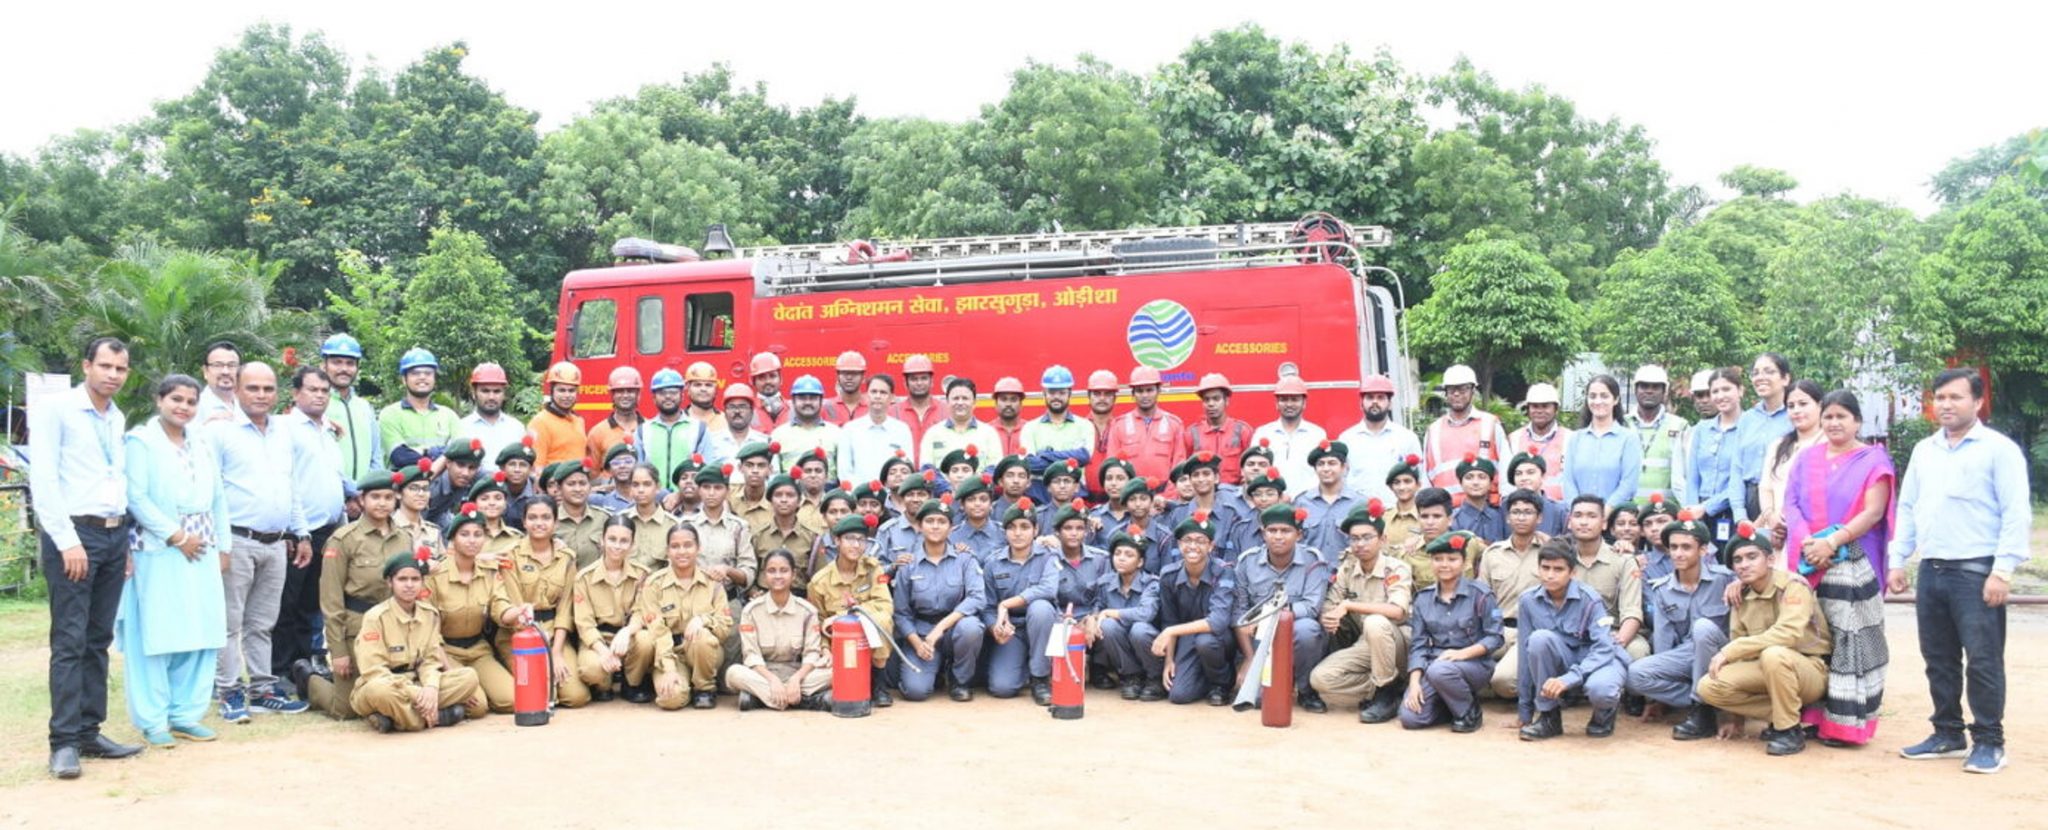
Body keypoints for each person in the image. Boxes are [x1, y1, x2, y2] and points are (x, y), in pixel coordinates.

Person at [1888, 368, 2030, 774]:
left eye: (1956, 397)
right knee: (1938, 658)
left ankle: (1989, 741)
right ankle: (1947, 732)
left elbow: (2015, 513)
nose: (1946, 405)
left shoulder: (1998, 449)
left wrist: (2002, 571)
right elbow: (1910, 507)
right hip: (1932, 570)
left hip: (1976, 571)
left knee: (1983, 660)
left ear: (1978, 402)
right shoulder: (1924, 450)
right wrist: (1899, 560)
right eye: (1940, 398)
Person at [117, 374, 228, 750]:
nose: (183, 407)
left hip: (204, 547)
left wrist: (223, 547)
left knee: (200, 632)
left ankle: (185, 714)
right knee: (158, 634)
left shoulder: (201, 442)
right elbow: (136, 496)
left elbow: (218, 498)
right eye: (175, 399)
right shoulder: (141, 441)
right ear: (159, 400)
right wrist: (176, 536)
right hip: (159, 547)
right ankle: (153, 718)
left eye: (191, 401)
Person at [1778, 390, 1894, 747]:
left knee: (1851, 639)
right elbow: (1792, 505)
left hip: (1855, 562)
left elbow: (1873, 512)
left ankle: (1847, 723)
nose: (1833, 423)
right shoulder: (1807, 459)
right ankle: (1811, 715)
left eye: (1842, 416)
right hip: (1810, 558)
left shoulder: (1873, 460)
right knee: (1813, 636)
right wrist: (1811, 543)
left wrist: (1834, 542)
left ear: (1857, 421)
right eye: (1828, 416)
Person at [206, 361, 312, 720]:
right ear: (236, 389)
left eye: (268, 389)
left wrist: (302, 533)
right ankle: (229, 691)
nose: (261, 395)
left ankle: (263, 688)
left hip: (276, 543)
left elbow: (290, 486)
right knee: (229, 622)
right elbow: (211, 490)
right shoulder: (220, 432)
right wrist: (220, 543)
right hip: (236, 539)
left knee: (263, 622)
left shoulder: (283, 432)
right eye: (253, 388)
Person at [1697, 531, 1830, 756]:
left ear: (1769, 560)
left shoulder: (1792, 585)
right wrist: (1736, 718)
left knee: (1774, 653)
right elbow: (1743, 652)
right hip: (1767, 671)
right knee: (1709, 686)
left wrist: (1729, 651)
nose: (1744, 565)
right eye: (1737, 560)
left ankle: (1788, 731)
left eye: (1752, 557)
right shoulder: (1740, 596)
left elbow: (1788, 634)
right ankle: (1787, 713)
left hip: (1809, 670)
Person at [307, 470, 413, 720]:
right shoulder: (344, 539)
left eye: (388, 497)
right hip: (359, 628)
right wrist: (338, 651)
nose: (382, 503)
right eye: (375, 496)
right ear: (361, 500)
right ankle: (310, 680)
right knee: (346, 710)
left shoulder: (404, 538)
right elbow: (330, 600)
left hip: (394, 626)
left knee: (396, 691)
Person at [1622, 513, 1735, 739]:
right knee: (1635, 675)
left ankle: (1701, 709)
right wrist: (1659, 699)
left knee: (1703, 628)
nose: (1678, 553)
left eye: (1686, 547)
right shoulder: (1662, 589)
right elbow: (1663, 642)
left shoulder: (1727, 579)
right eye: (1673, 547)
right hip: (1686, 656)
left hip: (1723, 657)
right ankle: (1708, 703)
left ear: (1702, 550)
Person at [274, 367, 351, 693]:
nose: (320, 395)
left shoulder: (327, 431)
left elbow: (333, 477)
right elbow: (286, 479)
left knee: (312, 605)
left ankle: (304, 671)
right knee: (286, 606)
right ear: (295, 393)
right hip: (299, 531)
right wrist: (298, 531)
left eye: (324, 390)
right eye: (313, 389)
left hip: (330, 530)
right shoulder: (285, 428)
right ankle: (280, 672)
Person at [349, 551, 485, 732]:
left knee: (468, 677)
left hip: (418, 681)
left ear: (422, 582)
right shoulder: (375, 617)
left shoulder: (429, 614)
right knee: (380, 691)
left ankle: (393, 718)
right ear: (390, 582)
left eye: (415, 579)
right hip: (386, 686)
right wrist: (417, 693)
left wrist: (430, 687)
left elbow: (430, 661)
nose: (409, 585)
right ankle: (434, 718)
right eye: (402, 579)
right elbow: (374, 672)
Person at [1310, 500, 1413, 723]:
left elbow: (1396, 611)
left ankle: (1387, 689)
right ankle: (1390, 688)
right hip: (1366, 645)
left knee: (1375, 622)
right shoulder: (1348, 567)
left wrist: (1348, 606)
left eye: (1367, 537)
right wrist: (1328, 618)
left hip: (1398, 644)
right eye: (1355, 538)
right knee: (1321, 679)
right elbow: (1330, 603)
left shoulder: (1396, 568)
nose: (1360, 544)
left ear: (1383, 540)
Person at [1515, 543, 1625, 741]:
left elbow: (1603, 648)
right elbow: (1524, 655)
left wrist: (1571, 678)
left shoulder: (1589, 598)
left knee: (1602, 690)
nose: (1550, 575)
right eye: (1545, 568)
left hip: (1595, 661)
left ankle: (1604, 714)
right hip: (1564, 658)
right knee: (1539, 639)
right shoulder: (1528, 600)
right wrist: (1525, 710)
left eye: (1558, 569)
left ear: (1572, 572)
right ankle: (1549, 717)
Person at [1398, 531, 1502, 732]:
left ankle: (1469, 712)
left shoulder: (1481, 595)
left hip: (1475, 665)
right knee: (1410, 719)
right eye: (1438, 559)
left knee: (1440, 670)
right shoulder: (1423, 599)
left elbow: (1495, 638)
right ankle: (1449, 704)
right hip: (1436, 666)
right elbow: (1418, 646)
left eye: (1452, 559)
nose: (1444, 564)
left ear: (1464, 563)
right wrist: (1414, 684)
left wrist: (1461, 654)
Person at [1232, 504, 1332, 712]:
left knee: (1308, 629)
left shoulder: (1313, 561)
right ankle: (1270, 681)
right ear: (1263, 533)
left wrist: (1270, 615)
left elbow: (1311, 607)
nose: (1278, 536)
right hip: (1259, 638)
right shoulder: (1246, 562)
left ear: (1299, 535)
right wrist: (1249, 657)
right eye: (1272, 531)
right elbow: (1240, 613)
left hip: (1293, 633)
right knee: (1259, 701)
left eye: (1285, 531)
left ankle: (1306, 690)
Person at [1136, 511, 1237, 705]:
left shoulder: (1223, 570)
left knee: (1206, 641)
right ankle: (1202, 678)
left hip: (1218, 638)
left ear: (1211, 546)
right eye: (1187, 540)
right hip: (1187, 639)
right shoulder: (1169, 575)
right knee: (1178, 695)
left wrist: (1170, 631)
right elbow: (1170, 619)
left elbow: (1218, 621)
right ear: (1179, 545)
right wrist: (1169, 661)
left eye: (1200, 541)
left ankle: (1222, 683)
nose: (1193, 546)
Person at [890, 502, 988, 701]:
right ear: (919, 527)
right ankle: (935, 673)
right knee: (915, 692)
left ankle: (959, 680)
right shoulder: (908, 565)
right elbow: (901, 613)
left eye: (942, 521)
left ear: (951, 528)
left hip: (954, 629)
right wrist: (917, 643)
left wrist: (940, 628)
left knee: (971, 627)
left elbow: (977, 598)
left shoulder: (965, 559)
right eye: (930, 521)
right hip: (921, 632)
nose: (935, 526)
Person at [425, 505, 515, 714]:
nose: (472, 540)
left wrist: (516, 613)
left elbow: (499, 604)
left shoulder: (489, 572)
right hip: (447, 651)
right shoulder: (436, 575)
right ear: (453, 539)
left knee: (512, 700)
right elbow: (429, 631)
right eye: (464, 534)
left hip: (478, 649)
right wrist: (450, 674)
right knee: (478, 708)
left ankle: (479, 691)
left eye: (478, 534)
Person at [498, 497, 586, 707]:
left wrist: (555, 652)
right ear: (524, 522)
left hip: (554, 632)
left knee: (576, 696)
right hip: (519, 635)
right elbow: (515, 603)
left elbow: (565, 608)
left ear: (555, 523)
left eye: (546, 517)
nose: (539, 523)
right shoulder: (511, 556)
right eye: (533, 517)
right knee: (542, 691)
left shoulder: (567, 557)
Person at [637, 524, 733, 710]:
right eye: (675, 546)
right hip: (670, 654)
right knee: (670, 700)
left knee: (702, 637)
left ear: (699, 548)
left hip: (704, 653)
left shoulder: (712, 583)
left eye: (688, 545)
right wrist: (670, 669)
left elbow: (725, 627)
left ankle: (704, 688)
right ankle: (679, 684)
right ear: (667, 551)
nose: (682, 551)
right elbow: (657, 631)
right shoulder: (654, 584)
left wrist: (703, 620)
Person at [808, 514, 896, 707]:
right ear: (837, 541)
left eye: (861, 539)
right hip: (837, 643)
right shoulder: (819, 581)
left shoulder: (874, 570)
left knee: (881, 619)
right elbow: (817, 621)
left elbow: (885, 605)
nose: (856, 545)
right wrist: (824, 649)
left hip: (869, 641)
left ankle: (879, 684)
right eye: (849, 539)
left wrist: (843, 616)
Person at [728, 551, 832, 711]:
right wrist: (773, 681)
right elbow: (751, 656)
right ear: (764, 575)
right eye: (772, 571)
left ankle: (762, 699)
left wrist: (796, 679)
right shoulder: (751, 611)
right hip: (764, 673)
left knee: (837, 672)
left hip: (800, 674)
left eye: (784, 570)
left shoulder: (807, 611)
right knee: (733, 673)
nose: (778, 576)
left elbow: (812, 654)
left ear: (793, 574)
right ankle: (806, 701)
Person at [982, 500, 1062, 703]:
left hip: (1044, 624)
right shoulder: (993, 563)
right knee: (1002, 688)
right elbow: (988, 605)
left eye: (1025, 527)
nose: (1018, 533)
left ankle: (1040, 678)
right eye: (1012, 527)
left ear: (1036, 530)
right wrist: (995, 628)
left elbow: (1048, 589)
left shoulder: (1048, 557)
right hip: (1012, 629)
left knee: (1041, 608)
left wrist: (1006, 604)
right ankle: (1023, 665)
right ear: (1005, 532)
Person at [570, 515, 654, 702]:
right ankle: (603, 685)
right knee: (593, 670)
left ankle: (632, 683)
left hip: (627, 638)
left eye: (624, 541)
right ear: (602, 540)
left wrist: (627, 631)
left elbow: (641, 611)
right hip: (598, 640)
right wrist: (603, 651)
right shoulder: (584, 577)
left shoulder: (642, 575)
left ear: (632, 545)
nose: (617, 546)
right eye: (612, 539)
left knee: (646, 640)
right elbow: (584, 623)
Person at [1479, 489, 1552, 699]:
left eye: (1528, 512)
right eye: (1516, 512)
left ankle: (1542, 690)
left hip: (1534, 632)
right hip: (1499, 631)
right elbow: (1483, 599)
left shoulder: (1551, 552)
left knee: (1503, 681)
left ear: (1539, 518)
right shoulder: (1492, 554)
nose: (1521, 517)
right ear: (1508, 517)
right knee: (1456, 664)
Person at [1087, 535, 1160, 700]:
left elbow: (1146, 613)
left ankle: (1154, 678)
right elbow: (1098, 605)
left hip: (1149, 643)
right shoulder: (1105, 583)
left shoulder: (1151, 583)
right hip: (1122, 644)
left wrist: (1111, 613)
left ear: (1140, 562)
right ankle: (1131, 677)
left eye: (1129, 555)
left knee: (1139, 629)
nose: (1121, 558)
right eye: (1117, 553)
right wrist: (1094, 617)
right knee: (1107, 626)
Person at [1421, 364, 1510, 498]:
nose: (1457, 394)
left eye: (1463, 389)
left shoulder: (1490, 424)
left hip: (1486, 509)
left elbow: (1506, 469)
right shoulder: (1433, 430)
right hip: (1446, 511)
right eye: (1452, 389)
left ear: (1473, 391)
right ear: (1446, 392)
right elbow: (1425, 477)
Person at [1756, 380, 1824, 548]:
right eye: (1791, 406)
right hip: (1777, 533)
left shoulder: (1829, 444)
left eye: (1803, 404)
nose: (1797, 411)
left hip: (1815, 534)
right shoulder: (1778, 446)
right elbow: (1765, 487)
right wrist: (1770, 517)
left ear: (1820, 405)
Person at [1336, 376, 1422, 506]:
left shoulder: (1406, 438)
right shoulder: (1347, 439)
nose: (1375, 402)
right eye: (1370, 397)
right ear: (1361, 403)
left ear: (1390, 403)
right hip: (1358, 516)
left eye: (1381, 397)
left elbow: (1419, 479)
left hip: (1396, 515)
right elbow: (1339, 480)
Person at [1686, 368, 1745, 549]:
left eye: (1726, 389)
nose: (1720, 396)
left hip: (1734, 511)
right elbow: (1693, 475)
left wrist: (1708, 507)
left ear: (1740, 391)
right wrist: (1691, 510)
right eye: (1715, 391)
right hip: (1698, 514)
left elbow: (1741, 479)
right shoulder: (1702, 429)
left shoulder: (1749, 427)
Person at [1561, 374, 1642, 507]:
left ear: (1616, 400)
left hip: (1614, 519)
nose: (1598, 401)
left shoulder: (1628, 439)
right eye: (1592, 396)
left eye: (1604, 396)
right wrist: (1579, 512)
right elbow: (1568, 482)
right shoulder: (1575, 439)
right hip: (1580, 521)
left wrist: (1605, 512)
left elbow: (1628, 485)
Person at [1732, 353, 1794, 523]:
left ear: (1785, 378)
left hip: (1781, 501)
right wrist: (1739, 514)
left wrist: (1768, 514)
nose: (1761, 377)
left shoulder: (1794, 416)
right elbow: (1737, 468)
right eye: (1756, 373)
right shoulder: (1747, 418)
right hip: (1749, 499)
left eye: (1769, 371)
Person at [1106, 366, 1187, 494]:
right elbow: (1113, 468)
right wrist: (1127, 497)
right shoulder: (1118, 426)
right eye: (1140, 391)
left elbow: (1179, 466)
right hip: (1132, 499)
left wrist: (1167, 498)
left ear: (1158, 391)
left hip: (1165, 499)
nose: (1145, 395)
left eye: (1149, 390)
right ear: (1133, 393)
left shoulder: (1174, 424)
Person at [378, 348, 460, 467]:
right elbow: (401, 457)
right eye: (415, 373)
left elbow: (460, 452)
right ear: (404, 380)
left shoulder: (449, 415)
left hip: (443, 485)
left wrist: (424, 452)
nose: (422, 377)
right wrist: (441, 454)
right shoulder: (390, 414)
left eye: (428, 373)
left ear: (434, 378)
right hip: (403, 484)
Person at [1250, 374, 1325, 499]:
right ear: (1277, 403)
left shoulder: (1317, 434)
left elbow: (1322, 470)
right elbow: (1253, 471)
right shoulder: (1263, 433)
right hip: (1271, 502)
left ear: (1304, 403)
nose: (1289, 404)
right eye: (1284, 399)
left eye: (1295, 399)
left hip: (1309, 502)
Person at [1626, 365, 1689, 505]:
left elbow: (1686, 475)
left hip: (1665, 515)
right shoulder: (1621, 424)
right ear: (1635, 390)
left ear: (1664, 391)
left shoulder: (1679, 426)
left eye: (1655, 387)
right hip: (1627, 517)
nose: (1649, 391)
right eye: (1644, 386)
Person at [319, 334, 379, 481]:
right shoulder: (318, 405)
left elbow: (376, 455)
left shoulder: (364, 407)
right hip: (329, 494)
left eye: (350, 363)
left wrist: (371, 489)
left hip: (364, 498)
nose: (344, 369)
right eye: (337, 362)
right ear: (323, 365)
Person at [837, 375, 915, 483]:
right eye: (873, 392)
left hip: (892, 495)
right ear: (866, 395)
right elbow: (844, 472)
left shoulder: (901, 430)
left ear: (892, 398)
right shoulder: (850, 430)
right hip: (859, 496)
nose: (877, 396)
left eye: (883, 393)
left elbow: (907, 468)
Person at [1292, 440, 1358, 559]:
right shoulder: (1302, 502)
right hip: (1310, 572)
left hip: (1348, 572)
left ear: (1343, 467)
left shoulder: (1359, 503)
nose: (1326, 469)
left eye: (1332, 463)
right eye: (1321, 464)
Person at [919, 377, 999, 474]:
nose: (960, 403)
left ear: (974, 403)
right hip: (942, 489)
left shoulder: (989, 433)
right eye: (956, 398)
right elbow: (926, 468)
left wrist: (974, 486)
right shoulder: (932, 433)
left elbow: (994, 468)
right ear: (947, 402)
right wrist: (944, 488)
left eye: (965, 398)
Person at [1185, 373, 1253, 484]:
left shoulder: (1243, 431)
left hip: (1235, 495)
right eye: (1206, 400)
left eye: (1216, 399)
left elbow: (1253, 465)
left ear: (1226, 401)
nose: (1211, 404)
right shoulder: (1191, 433)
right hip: (1203, 494)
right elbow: (1185, 469)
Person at [639, 368, 702, 486]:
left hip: (689, 500)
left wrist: (679, 496)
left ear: (682, 396)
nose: (668, 396)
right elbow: (637, 472)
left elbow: (706, 470)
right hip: (652, 500)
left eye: (673, 392)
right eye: (662, 393)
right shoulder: (642, 431)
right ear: (654, 398)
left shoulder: (699, 429)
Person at [1019, 365, 1096, 460]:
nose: (1057, 397)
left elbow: (1084, 457)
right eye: (1052, 392)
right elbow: (1030, 464)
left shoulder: (1085, 426)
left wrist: (1046, 455)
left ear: (1070, 394)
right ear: (1044, 394)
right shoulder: (1030, 428)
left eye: (1062, 393)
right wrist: (1071, 457)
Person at [459, 363, 525, 474]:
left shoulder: (516, 428)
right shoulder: (461, 428)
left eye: (497, 391)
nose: (491, 397)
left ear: (504, 394)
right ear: (473, 393)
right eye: (485, 391)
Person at [1509, 382, 1571, 501]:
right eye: (1535, 406)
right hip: (1522, 510)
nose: (1539, 410)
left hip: (1558, 510)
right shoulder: (1514, 438)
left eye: (1545, 406)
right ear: (1528, 409)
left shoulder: (1570, 438)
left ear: (1556, 409)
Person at [771, 383, 842, 479]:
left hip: (828, 492)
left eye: (812, 398)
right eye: (802, 398)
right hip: (790, 491)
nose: (807, 402)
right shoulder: (778, 434)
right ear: (793, 401)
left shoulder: (836, 433)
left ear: (821, 401)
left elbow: (843, 473)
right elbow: (774, 474)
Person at [620, 464, 682, 570]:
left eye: (647, 484)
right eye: (635, 485)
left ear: (658, 487)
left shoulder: (673, 525)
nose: (641, 490)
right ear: (630, 488)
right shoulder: (620, 521)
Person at [529, 362, 589, 470]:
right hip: (553, 484)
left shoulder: (578, 421)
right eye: (561, 390)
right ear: (552, 392)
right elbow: (537, 467)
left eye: (571, 391)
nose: (567, 395)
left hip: (577, 484)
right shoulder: (540, 422)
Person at [553, 461, 611, 567]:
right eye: (571, 484)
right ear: (559, 488)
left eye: (582, 483)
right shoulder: (550, 520)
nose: (578, 489)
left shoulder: (603, 519)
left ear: (590, 487)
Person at [703, 384, 772, 469]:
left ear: (752, 411)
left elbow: (773, 475)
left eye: (742, 406)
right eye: (732, 407)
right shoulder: (710, 441)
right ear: (724, 412)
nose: (737, 411)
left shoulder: (764, 442)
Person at [585, 367, 644, 467]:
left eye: (630, 391)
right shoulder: (598, 433)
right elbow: (592, 473)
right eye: (620, 391)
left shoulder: (648, 429)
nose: (625, 396)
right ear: (612, 395)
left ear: (638, 394)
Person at [886, 354, 947, 452]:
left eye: (924, 378)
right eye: (914, 379)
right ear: (905, 383)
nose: (919, 383)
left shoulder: (946, 411)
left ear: (932, 381)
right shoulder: (892, 413)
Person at [1505, 453, 1567, 537]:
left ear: (1543, 476)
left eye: (1530, 473)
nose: (1524, 478)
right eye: (1519, 473)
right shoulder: (1504, 507)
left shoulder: (1559, 511)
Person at [1448, 455, 1505, 543]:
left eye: (1482, 477)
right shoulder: (1453, 519)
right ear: (1461, 483)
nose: (1475, 482)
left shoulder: (1501, 515)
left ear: (1490, 483)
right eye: (1469, 477)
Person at [195, 341, 241, 424]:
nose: (225, 372)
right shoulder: (193, 406)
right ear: (205, 371)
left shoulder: (248, 405)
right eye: (218, 365)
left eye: (232, 365)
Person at [820, 351, 868, 426]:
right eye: (845, 373)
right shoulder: (826, 408)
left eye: (854, 373)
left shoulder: (872, 408)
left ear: (863, 378)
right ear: (837, 377)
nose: (849, 377)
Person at [1084, 369, 1120, 463]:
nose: (1102, 398)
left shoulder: (1121, 427)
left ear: (1115, 398)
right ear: (1089, 396)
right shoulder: (1079, 428)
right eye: (1097, 393)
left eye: (1107, 394)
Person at [988, 376, 1030, 457]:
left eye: (1013, 399)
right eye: (1003, 399)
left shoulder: (1030, 430)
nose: (1008, 404)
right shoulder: (987, 431)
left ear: (1021, 404)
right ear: (996, 403)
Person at [748, 352, 789, 433]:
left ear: (781, 378)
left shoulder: (793, 410)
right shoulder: (747, 412)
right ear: (753, 381)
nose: (768, 381)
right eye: (761, 377)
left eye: (772, 376)